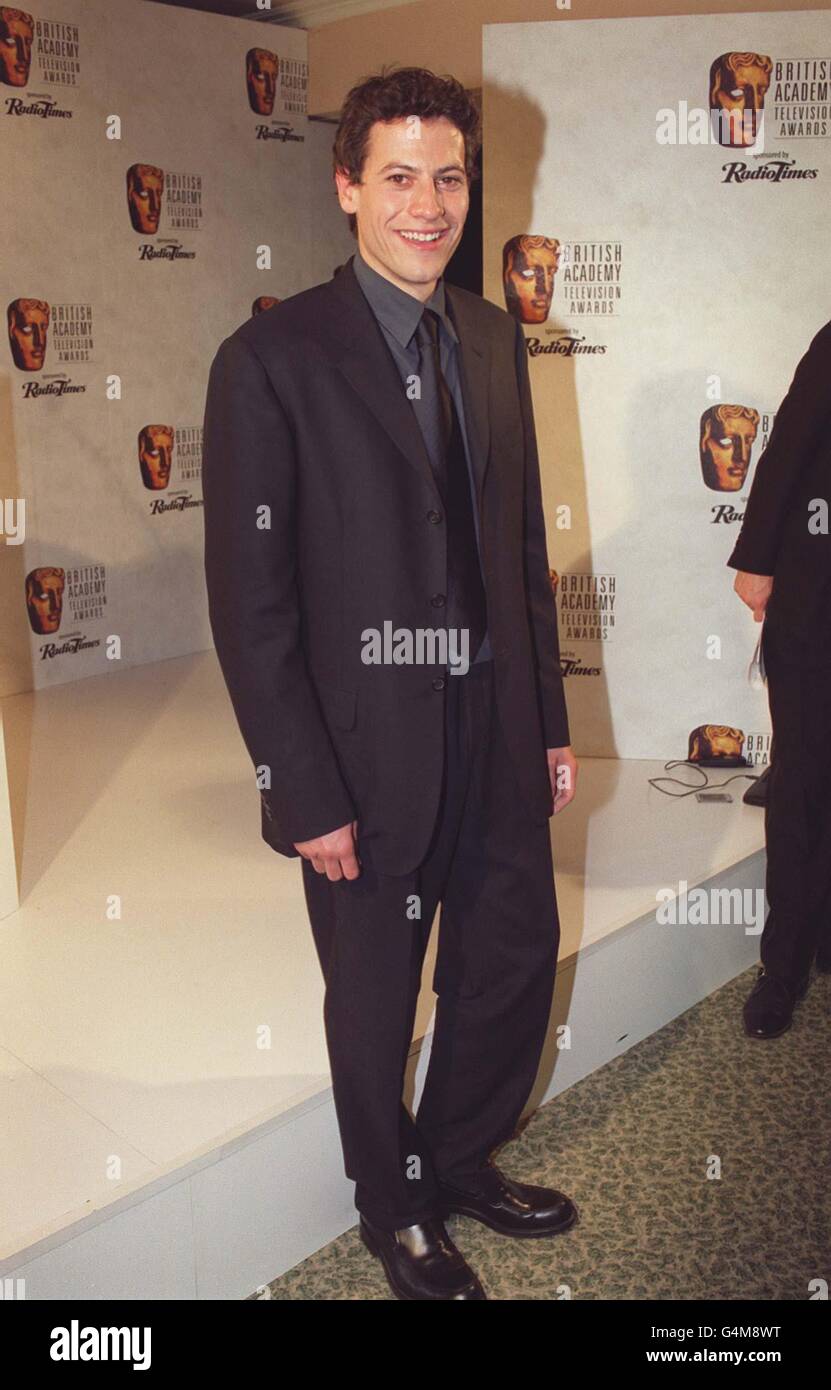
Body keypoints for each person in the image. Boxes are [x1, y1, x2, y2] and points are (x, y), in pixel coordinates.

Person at [202, 66, 578, 1301]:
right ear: (348, 183)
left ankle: (460, 1153)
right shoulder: (269, 357)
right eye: (400, 176)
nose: (429, 204)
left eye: (450, 177)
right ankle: (391, 1204)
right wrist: (300, 789)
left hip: (492, 721)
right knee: (374, 993)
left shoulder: (489, 334)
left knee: (514, 951)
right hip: (362, 749)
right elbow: (251, 608)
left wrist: (549, 725)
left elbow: (519, 549)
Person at [728, 317, 831, 1039]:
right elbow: (788, 445)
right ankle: (782, 967)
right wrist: (758, 558)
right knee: (801, 782)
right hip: (818, 601)